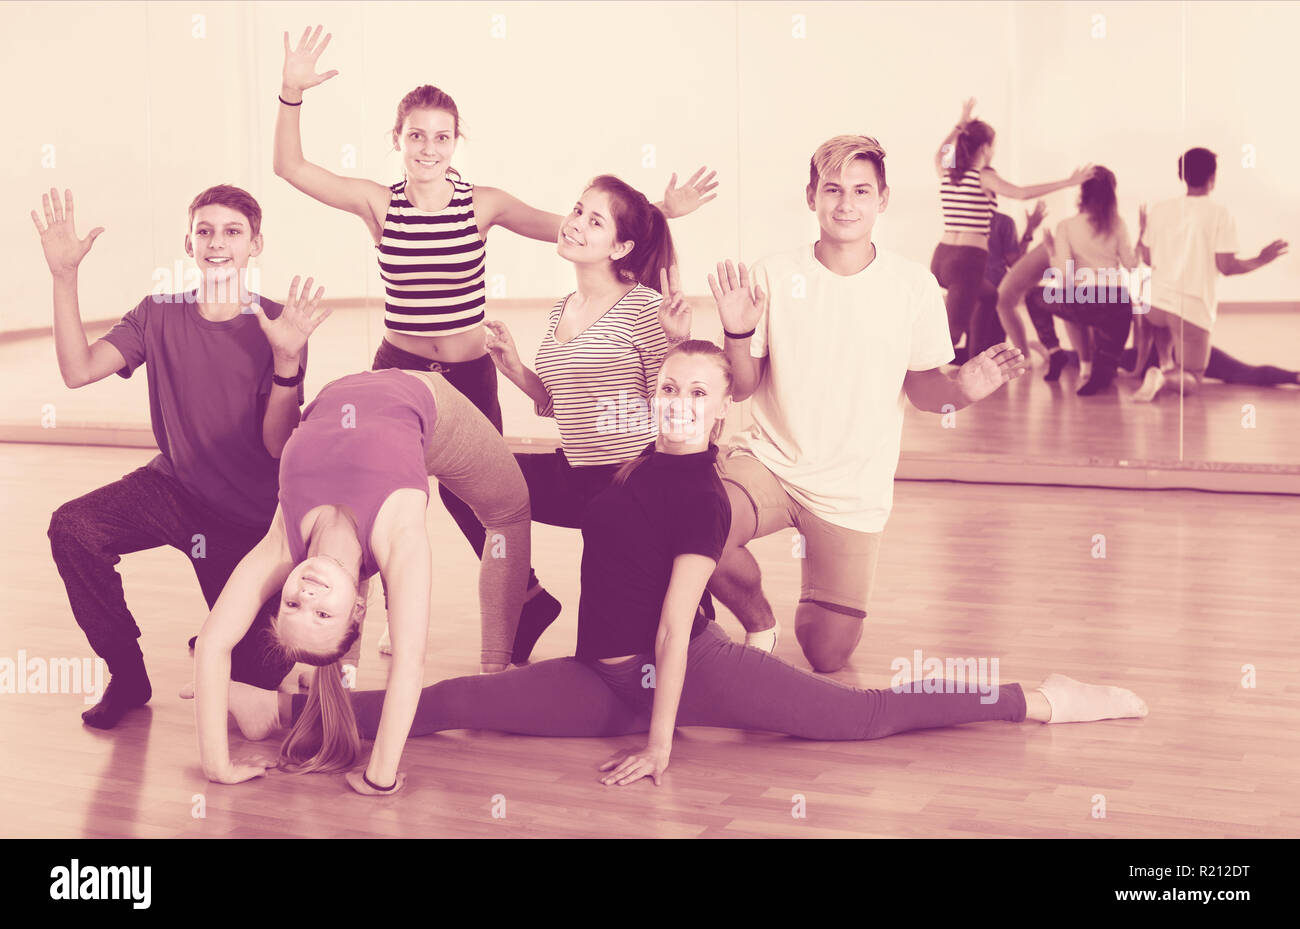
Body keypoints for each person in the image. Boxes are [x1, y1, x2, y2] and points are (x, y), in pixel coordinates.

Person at [212, 342, 1148, 795]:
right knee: (454, 707)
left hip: (688, 674)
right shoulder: (630, 468)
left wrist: (662, 744)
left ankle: (1037, 698)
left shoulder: (701, 497)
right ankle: (288, 709)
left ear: (722, 415)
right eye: (667, 388)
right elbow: (529, 497)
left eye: (697, 393)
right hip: (600, 681)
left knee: (860, 719)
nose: (677, 402)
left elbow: (671, 627)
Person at [273, 26, 717, 644]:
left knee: (484, 495)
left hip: (468, 373)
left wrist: (658, 213)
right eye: (416, 135)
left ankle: (522, 597)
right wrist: (291, 91)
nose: (429, 148)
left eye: (442, 136)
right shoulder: (378, 203)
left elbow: (574, 229)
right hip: (397, 368)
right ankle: (361, 606)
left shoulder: (482, 204)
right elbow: (288, 167)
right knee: (375, 487)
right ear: (397, 139)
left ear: (457, 141)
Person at [706, 135, 1026, 673]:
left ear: (883, 199)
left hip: (852, 491)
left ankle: (818, 597)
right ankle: (759, 624)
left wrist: (963, 391)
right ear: (812, 197)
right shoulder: (774, 275)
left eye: (860, 190)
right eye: (832, 189)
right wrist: (736, 333)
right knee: (697, 522)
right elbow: (740, 387)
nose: (846, 204)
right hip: (770, 463)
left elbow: (925, 391)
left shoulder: (913, 286)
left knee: (827, 654)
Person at [35, 184, 313, 730]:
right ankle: (127, 674)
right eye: (205, 230)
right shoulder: (157, 314)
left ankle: (224, 637)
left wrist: (287, 359)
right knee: (72, 528)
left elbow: (280, 445)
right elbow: (77, 370)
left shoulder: (280, 323)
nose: (217, 242)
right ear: (189, 243)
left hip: (248, 519)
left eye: (233, 232)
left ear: (256, 244)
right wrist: (64, 276)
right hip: (173, 490)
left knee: (261, 681)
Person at [194, 366, 531, 795]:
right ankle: (495, 668)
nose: (307, 593)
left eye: (293, 605)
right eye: (321, 613)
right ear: (357, 608)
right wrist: (381, 777)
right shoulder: (397, 537)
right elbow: (410, 660)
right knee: (511, 511)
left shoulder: (280, 546)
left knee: (347, 563)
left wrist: (216, 766)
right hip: (427, 403)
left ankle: (340, 665)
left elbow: (212, 644)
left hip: (345, 386)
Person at [482, 175, 697, 662]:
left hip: (631, 481)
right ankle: (529, 599)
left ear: (621, 247)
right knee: (469, 480)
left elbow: (677, 412)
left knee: (604, 651)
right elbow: (560, 402)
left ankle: (689, 609)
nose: (574, 224)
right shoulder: (564, 308)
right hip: (576, 474)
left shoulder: (646, 308)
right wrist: (514, 367)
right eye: (577, 211)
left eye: (593, 220)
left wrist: (678, 343)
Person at [932, 98, 1092, 355]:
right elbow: (1021, 193)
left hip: (941, 258)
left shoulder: (948, 172)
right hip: (966, 262)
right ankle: (911, 378)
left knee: (990, 297)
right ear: (984, 147)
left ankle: (975, 356)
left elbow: (940, 151)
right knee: (952, 333)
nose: (993, 152)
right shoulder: (984, 176)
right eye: (992, 147)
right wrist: (1067, 182)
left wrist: (960, 123)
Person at [1132, 147, 1289, 401]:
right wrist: (1261, 259)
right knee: (1193, 377)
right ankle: (1162, 378)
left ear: (1181, 175)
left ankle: (1166, 365)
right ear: (1212, 177)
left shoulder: (1160, 209)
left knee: (1167, 325)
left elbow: (1148, 259)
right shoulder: (1219, 214)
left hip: (1155, 306)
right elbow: (1226, 267)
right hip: (1190, 308)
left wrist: (1143, 230)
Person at [1027, 166, 1139, 396]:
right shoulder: (1118, 223)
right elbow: (1131, 264)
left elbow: (1065, 277)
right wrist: (1144, 233)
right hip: (1118, 303)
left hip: (1084, 300)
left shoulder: (1067, 226)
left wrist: (1051, 251)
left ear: (1082, 194)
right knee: (1105, 374)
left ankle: (1055, 352)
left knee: (1033, 297)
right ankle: (1099, 373)